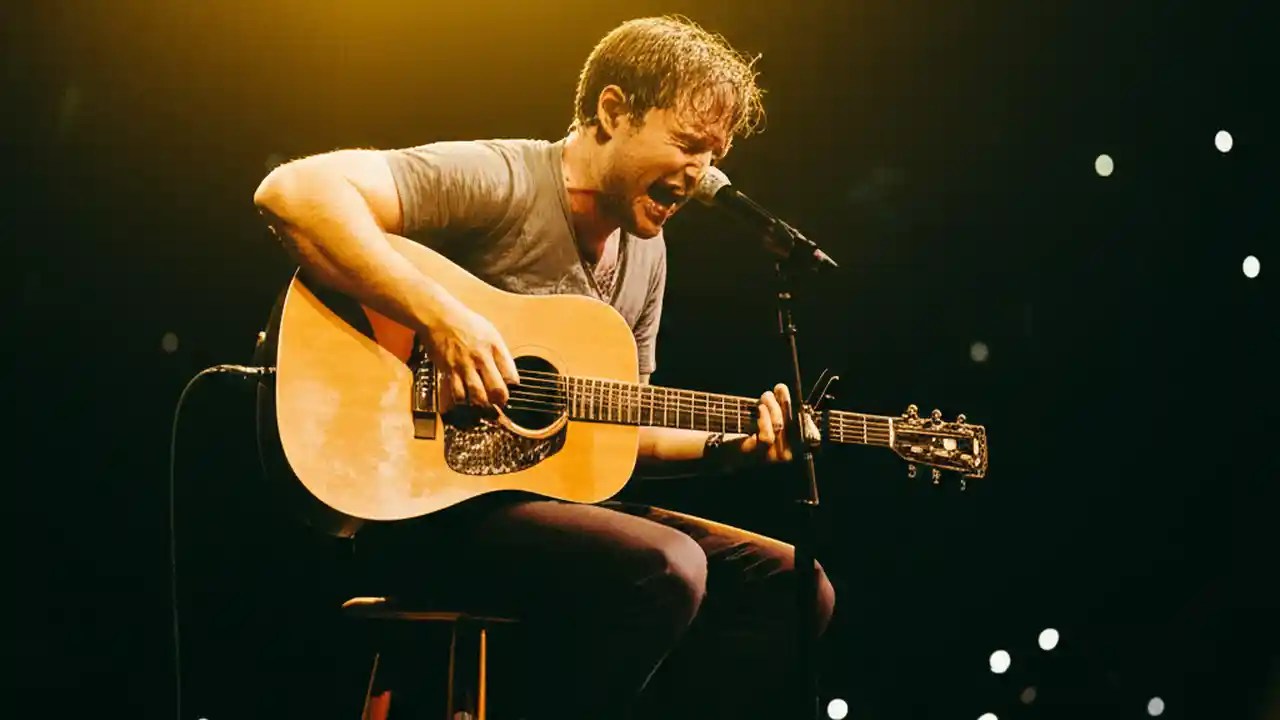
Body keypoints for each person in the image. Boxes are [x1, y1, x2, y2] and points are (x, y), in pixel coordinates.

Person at [252, 15, 835, 720]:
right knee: (666, 567)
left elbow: (624, 437)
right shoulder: (503, 179)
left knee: (795, 586)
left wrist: (735, 449)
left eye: (713, 153)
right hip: (418, 511)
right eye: (686, 143)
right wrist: (443, 318)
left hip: (546, 516)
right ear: (613, 111)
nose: (700, 172)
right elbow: (294, 192)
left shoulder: (645, 254)